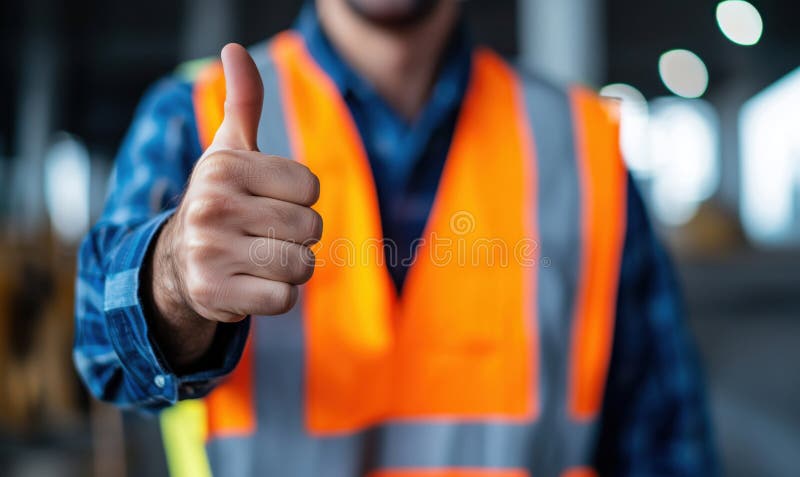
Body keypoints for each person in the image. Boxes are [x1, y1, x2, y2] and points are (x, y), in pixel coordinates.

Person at [73, 0, 717, 475]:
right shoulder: (194, 112)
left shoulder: (582, 142)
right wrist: (174, 280)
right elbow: (99, 352)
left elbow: (663, 434)